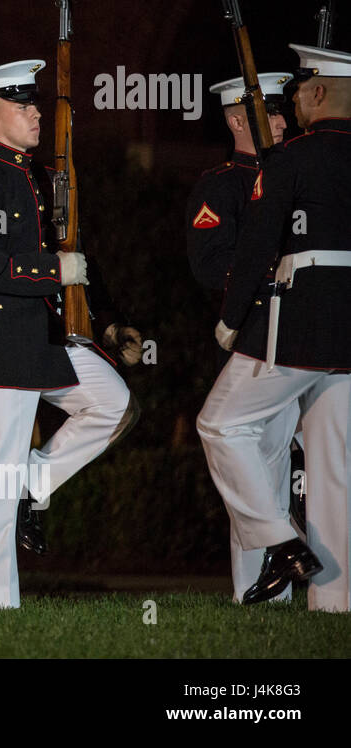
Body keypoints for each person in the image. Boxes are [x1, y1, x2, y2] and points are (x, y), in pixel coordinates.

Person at [0, 60, 139, 609]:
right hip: (1, 337)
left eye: (33, 103)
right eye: (22, 105)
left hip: (39, 337)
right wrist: (54, 271)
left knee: (112, 403)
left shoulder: (29, 177)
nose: (35, 112)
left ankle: (35, 482)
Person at [198, 43, 351, 611]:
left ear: (315, 94)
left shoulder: (293, 157)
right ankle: (336, 601)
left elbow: (261, 244)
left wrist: (232, 319)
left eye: (295, 98)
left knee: (219, 424)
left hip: (299, 319)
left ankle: (282, 542)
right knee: (333, 463)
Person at [186, 72, 305, 603]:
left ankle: (274, 587)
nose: (282, 122)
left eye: (282, 112)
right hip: (254, 333)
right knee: (251, 455)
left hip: (302, 335)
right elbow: (210, 266)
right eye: (269, 114)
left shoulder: (296, 173)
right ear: (237, 121)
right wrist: (268, 268)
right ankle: (252, 585)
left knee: (279, 458)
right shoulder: (222, 185)